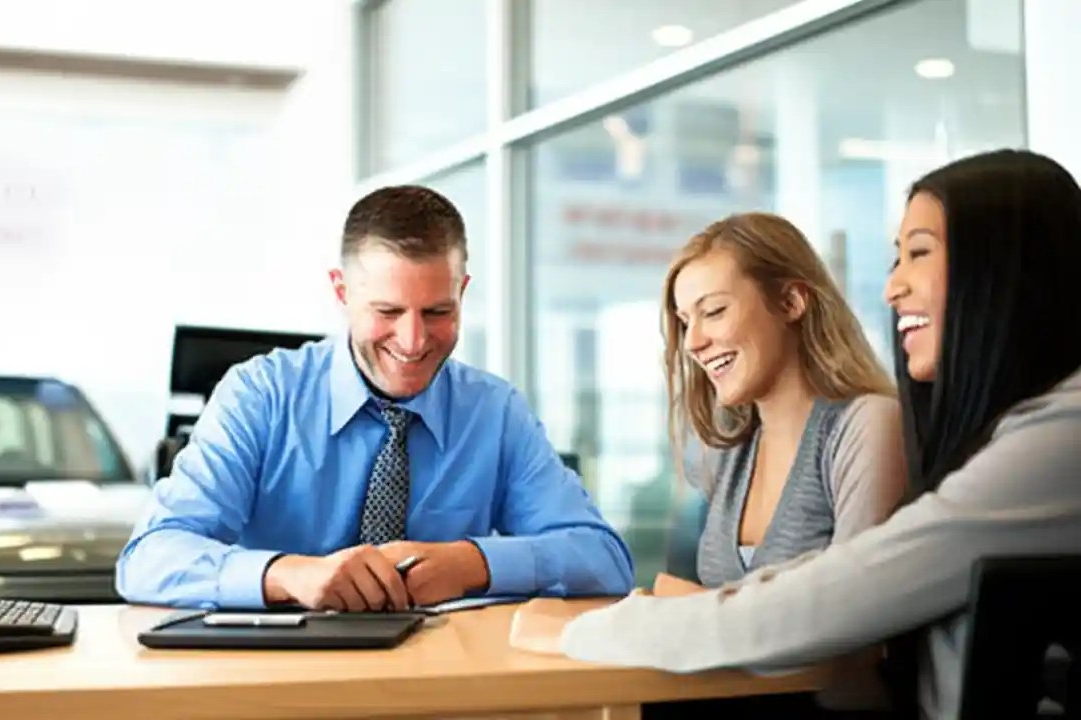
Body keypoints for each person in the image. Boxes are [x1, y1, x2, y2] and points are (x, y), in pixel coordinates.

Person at [515, 149, 1081, 719]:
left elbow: (848, 598)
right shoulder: (1010, 431)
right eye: (895, 258)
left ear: (1005, 270)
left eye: (919, 253)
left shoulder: (1059, 439)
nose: (891, 288)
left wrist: (589, 630)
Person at [116, 185, 634, 612]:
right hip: (275, 686)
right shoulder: (260, 396)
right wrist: (292, 575)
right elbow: (147, 558)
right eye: (387, 311)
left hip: (443, 691)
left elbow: (604, 559)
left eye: (437, 312)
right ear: (342, 293)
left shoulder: (494, 412)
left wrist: (471, 562)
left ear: (463, 292)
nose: (413, 342)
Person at [655, 213, 905, 597]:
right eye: (687, 322)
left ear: (790, 302)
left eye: (715, 312)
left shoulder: (866, 426)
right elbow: (673, 594)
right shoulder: (725, 450)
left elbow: (853, 614)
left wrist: (695, 610)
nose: (692, 343)